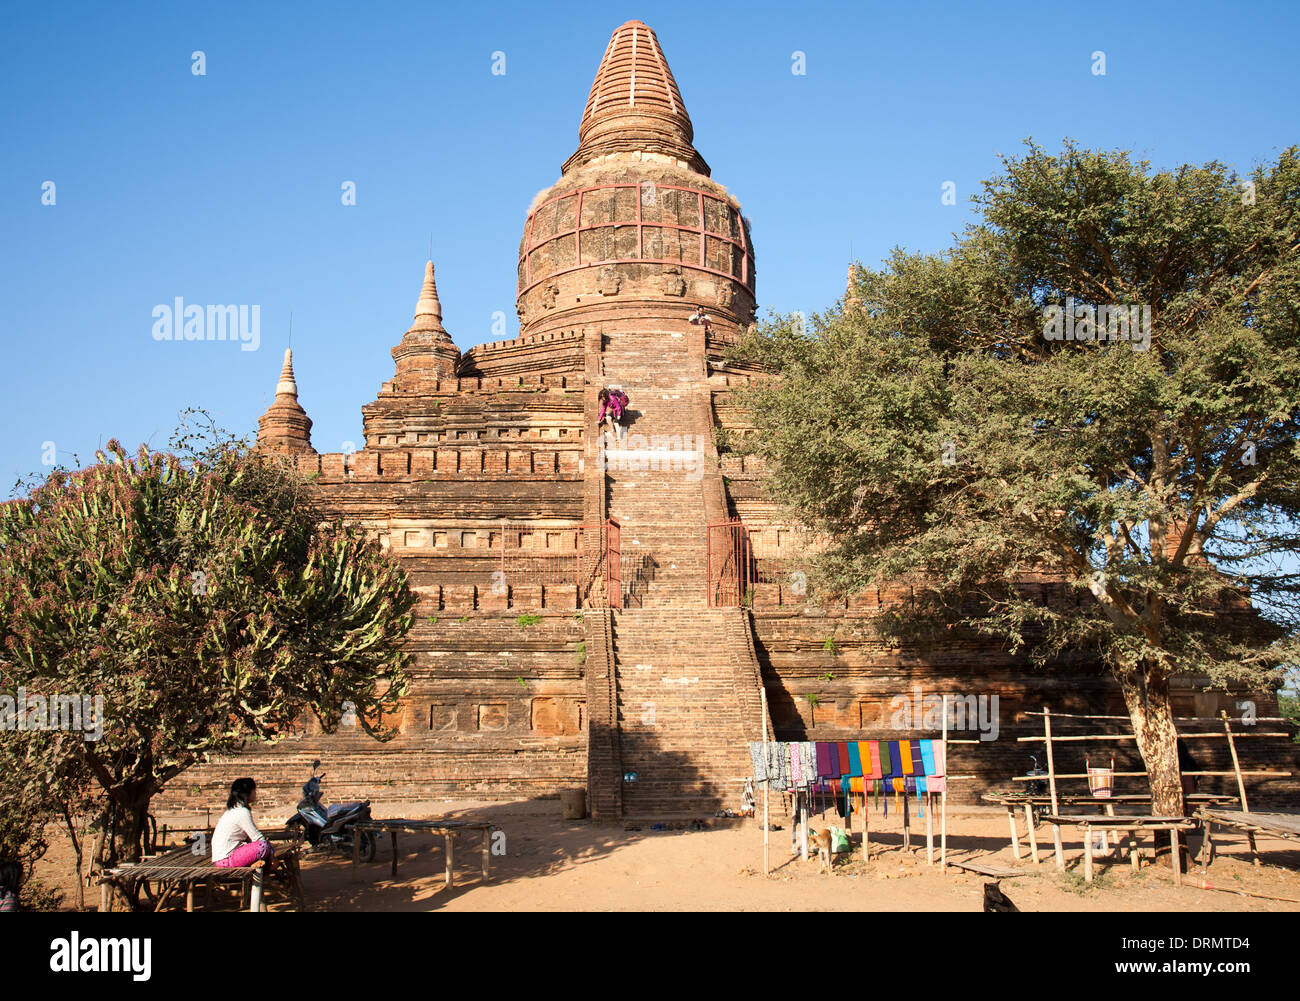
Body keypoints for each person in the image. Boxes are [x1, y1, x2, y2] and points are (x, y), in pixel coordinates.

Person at [212, 777, 276, 873]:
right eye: (254, 791)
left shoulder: (233, 810)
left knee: (263, 845)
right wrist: (272, 853)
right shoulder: (242, 812)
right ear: (248, 793)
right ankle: (267, 866)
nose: (255, 794)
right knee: (264, 845)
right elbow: (257, 838)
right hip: (226, 860)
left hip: (223, 858)